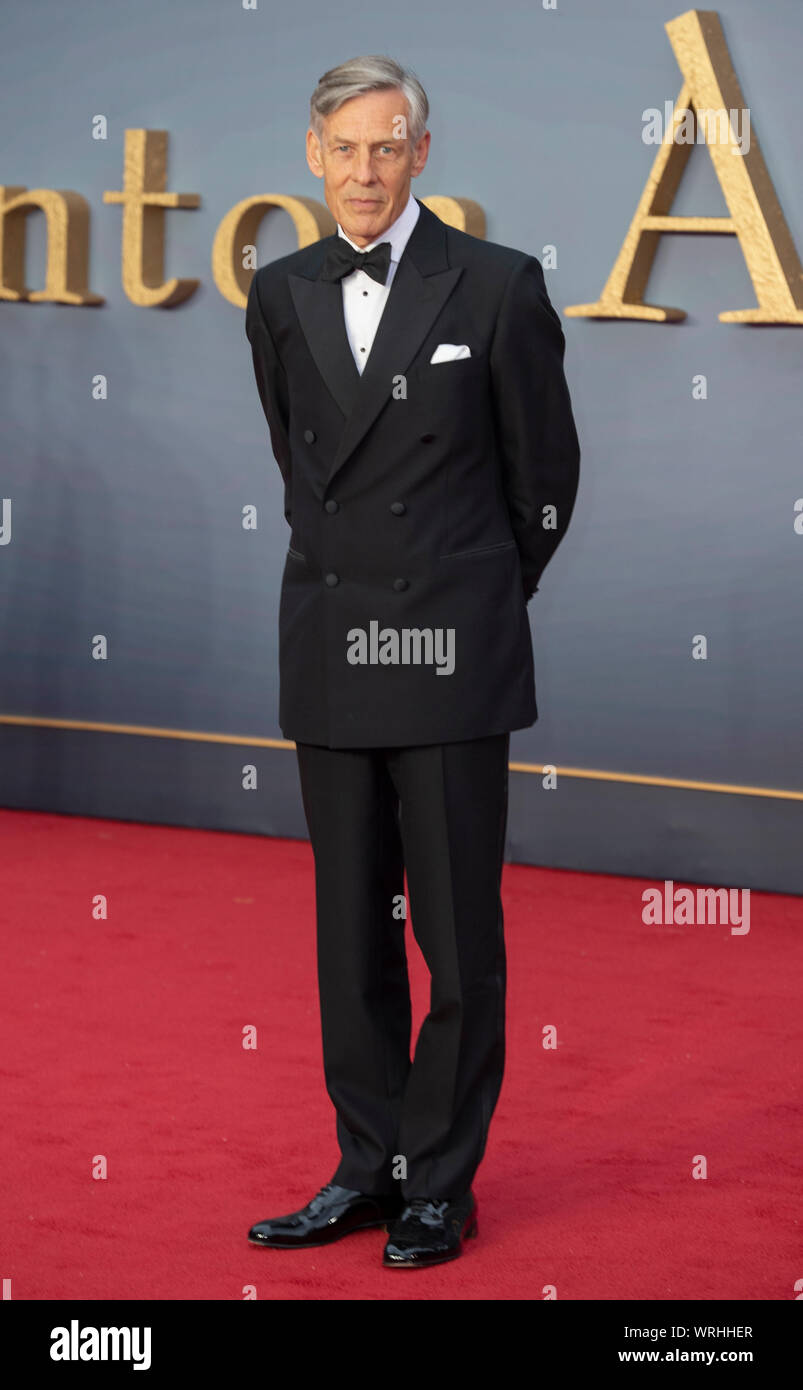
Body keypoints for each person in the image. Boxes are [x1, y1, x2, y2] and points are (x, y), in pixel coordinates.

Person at [245, 54, 580, 1268]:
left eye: (387, 145)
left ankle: (441, 1181)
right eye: (343, 147)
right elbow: (299, 470)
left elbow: (542, 480)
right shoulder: (279, 292)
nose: (364, 170)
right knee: (351, 935)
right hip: (330, 652)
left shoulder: (495, 288)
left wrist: (472, 604)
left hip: (447, 656)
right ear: (312, 156)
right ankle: (367, 1166)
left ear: (422, 154)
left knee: (452, 935)